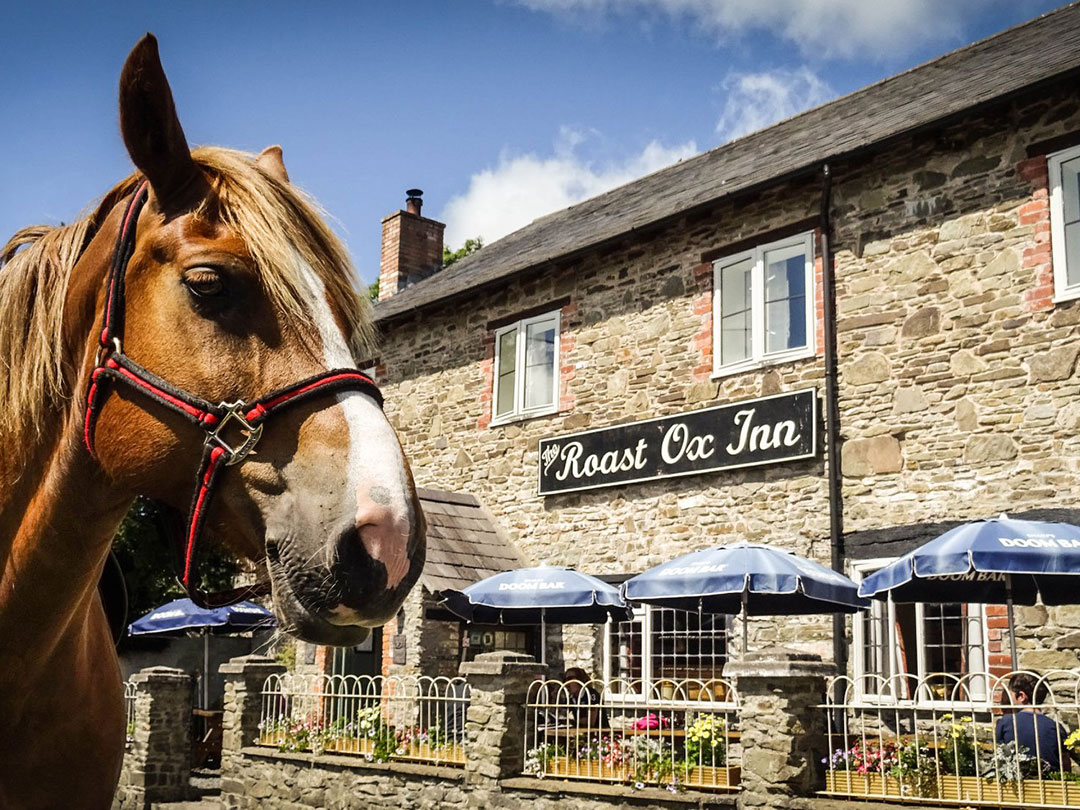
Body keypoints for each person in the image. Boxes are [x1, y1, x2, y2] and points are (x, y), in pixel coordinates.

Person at [995, 672, 1070, 773]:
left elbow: (999, 756)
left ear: (1021, 696)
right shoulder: (1055, 726)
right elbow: (1065, 762)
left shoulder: (1006, 722)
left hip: (1016, 783)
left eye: (1010, 694)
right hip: (1051, 784)